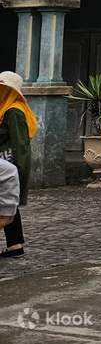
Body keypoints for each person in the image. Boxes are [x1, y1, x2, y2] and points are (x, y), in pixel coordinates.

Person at [0, 71, 34, 259]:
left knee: (7, 204)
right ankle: (15, 244)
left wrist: (20, 174)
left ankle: (15, 244)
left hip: (9, 163)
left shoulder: (13, 111)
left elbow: (21, 146)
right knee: (6, 205)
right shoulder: (4, 109)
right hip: (5, 163)